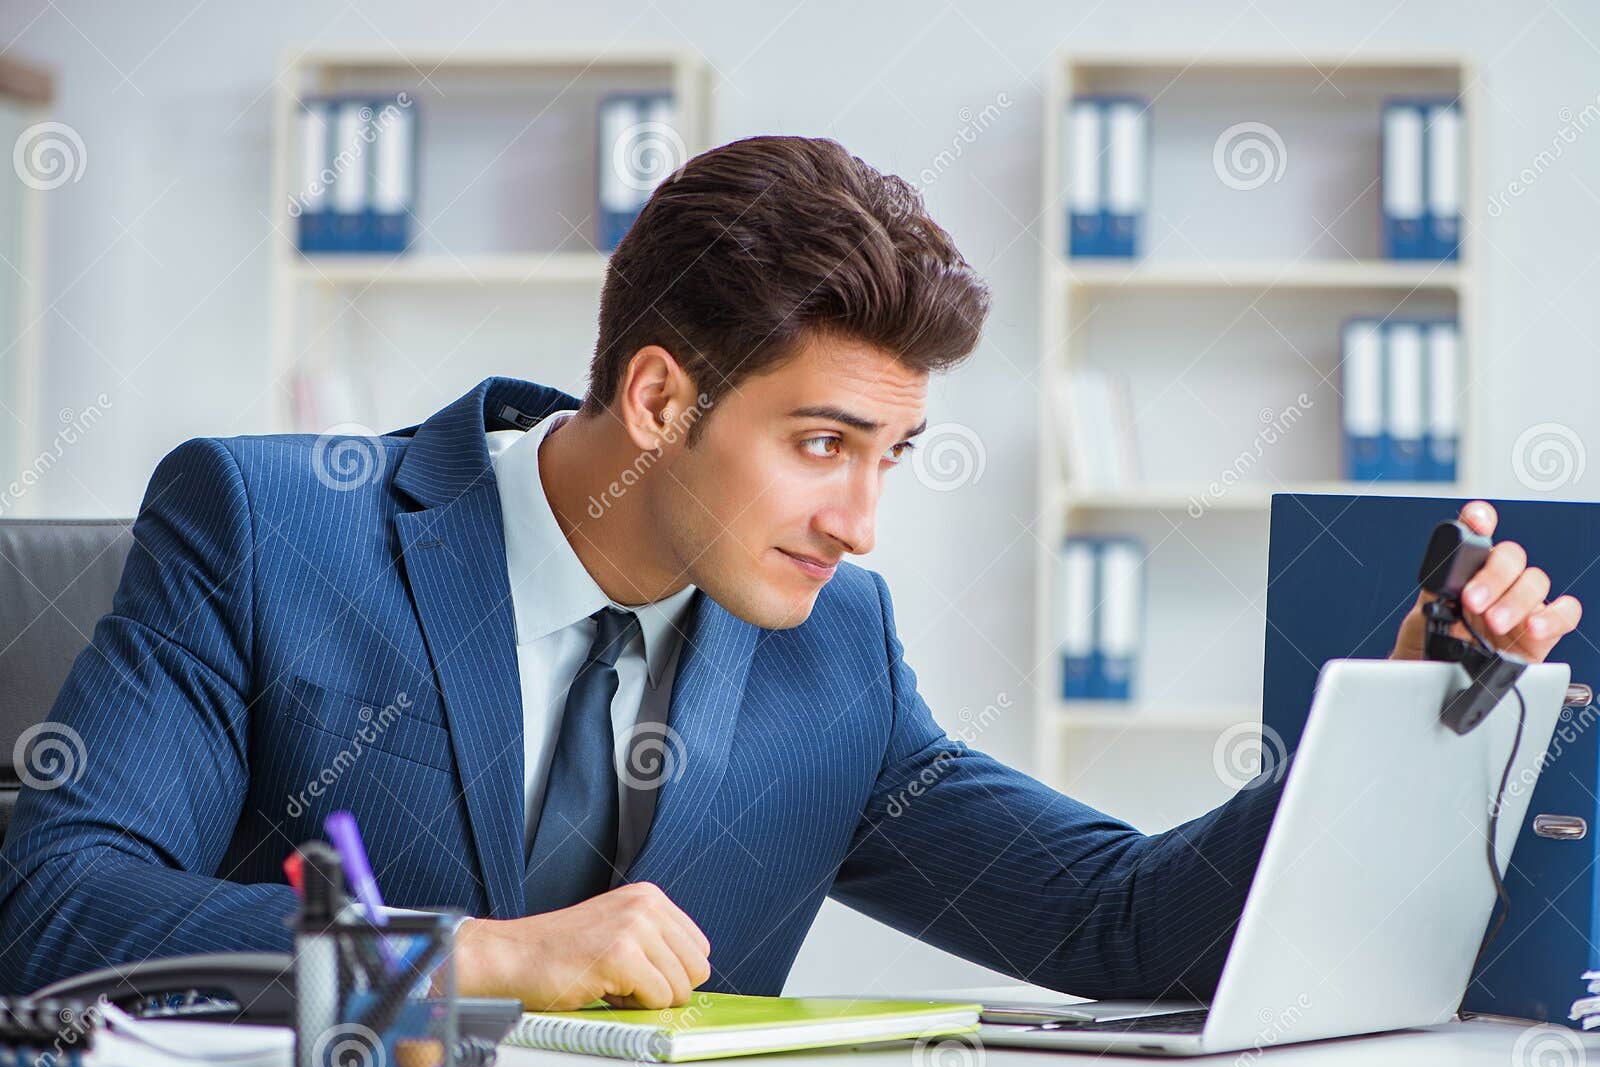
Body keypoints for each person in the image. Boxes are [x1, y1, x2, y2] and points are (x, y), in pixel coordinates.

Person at [0, 137, 1581, 1011]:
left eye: (890, 456)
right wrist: (474, 956)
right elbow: (52, 904)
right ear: (661, 398)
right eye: (824, 443)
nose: (861, 521)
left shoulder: (836, 649)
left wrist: (1398, 703)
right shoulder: (274, 529)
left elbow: (1120, 926)